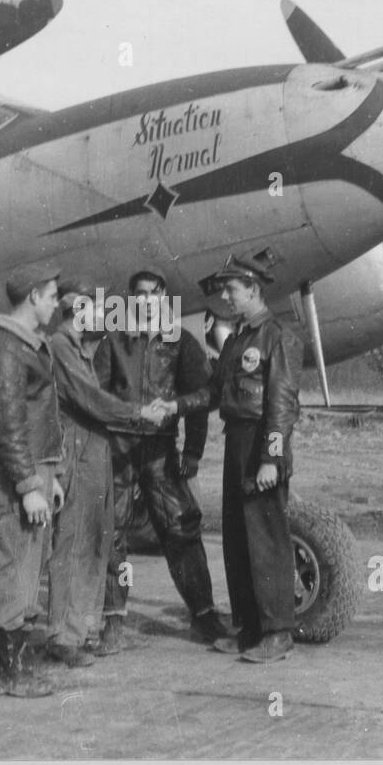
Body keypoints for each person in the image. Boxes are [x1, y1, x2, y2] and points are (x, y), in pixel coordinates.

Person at [170, 255, 303, 663]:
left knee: (266, 543)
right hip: (236, 444)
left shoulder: (277, 337)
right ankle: (249, 629)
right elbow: (212, 395)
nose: (225, 296)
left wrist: (271, 459)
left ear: (254, 291)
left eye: (232, 290)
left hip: (261, 444)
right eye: (224, 290)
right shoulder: (235, 341)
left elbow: (283, 406)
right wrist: (173, 406)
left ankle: (277, 633)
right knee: (238, 541)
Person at [94, 267, 231, 650]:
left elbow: (203, 397)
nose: (146, 300)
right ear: (130, 297)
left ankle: (204, 616)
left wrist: (193, 452)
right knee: (112, 535)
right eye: (138, 293)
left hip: (161, 454)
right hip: (119, 453)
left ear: (163, 296)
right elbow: (96, 396)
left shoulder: (181, 342)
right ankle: (113, 621)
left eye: (153, 293)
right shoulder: (114, 342)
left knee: (181, 531)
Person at [46, 280, 167, 666]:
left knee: (94, 547)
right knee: (73, 547)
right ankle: (63, 638)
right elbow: (90, 400)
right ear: (75, 311)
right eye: (93, 308)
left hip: (95, 458)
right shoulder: (61, 348)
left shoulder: (80, 349)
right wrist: (137, 413)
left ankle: (77, 632)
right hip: (79, 460)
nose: (101, 314)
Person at [0, 265, 66, 697]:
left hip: (32, 470)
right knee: (12, 571)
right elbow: (4, 425)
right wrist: (29, 486)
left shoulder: (25, 346)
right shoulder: (7, 350)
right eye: (51, 295)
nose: (56, 303)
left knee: (27, 574)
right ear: (32, 297)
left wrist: (50, 477)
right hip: (16, 478)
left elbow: (35, 420)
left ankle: (15, 667)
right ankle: (0, 672)